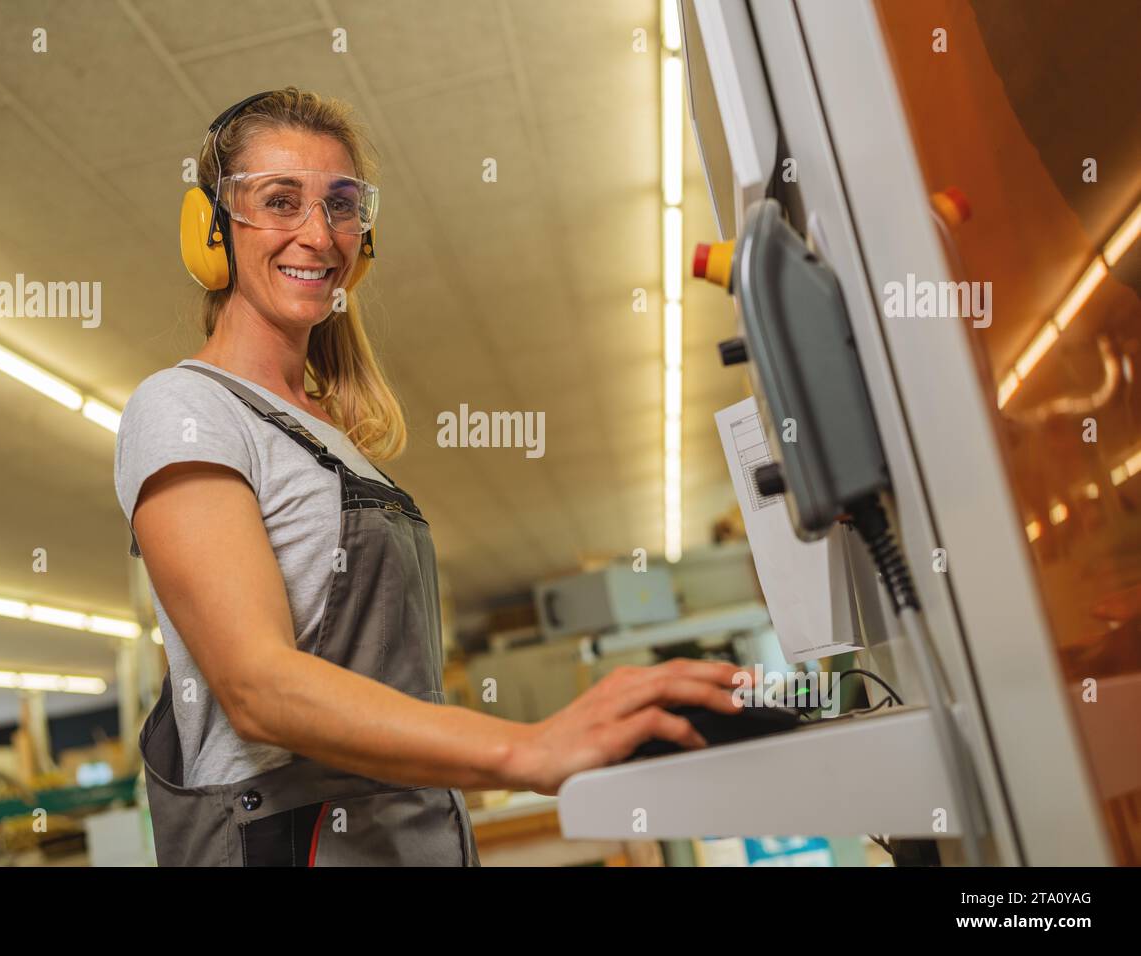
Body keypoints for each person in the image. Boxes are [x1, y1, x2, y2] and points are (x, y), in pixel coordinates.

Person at [115, 88, 748, 866]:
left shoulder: (331, 437)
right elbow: (258, 688)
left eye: (341, 205)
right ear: (211, 228)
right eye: (280, 201)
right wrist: (527, 748)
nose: (318, 234)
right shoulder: (182, 407)